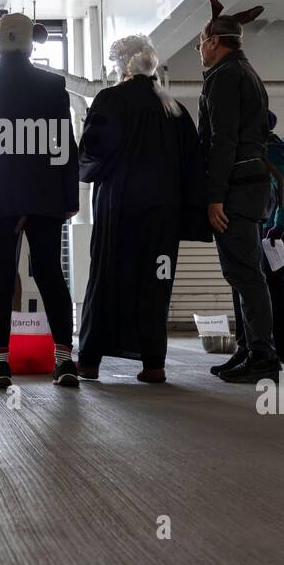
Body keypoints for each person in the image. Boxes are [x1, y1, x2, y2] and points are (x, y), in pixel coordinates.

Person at [0, 13, 80, 389]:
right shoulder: (52, 84)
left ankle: (1, 364)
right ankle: (65, 361)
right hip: (44, 196)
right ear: (30, 43)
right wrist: (68, 196)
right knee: (50, 274)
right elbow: (63, 145)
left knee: (0, 279)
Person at [77, 34, 207, 383]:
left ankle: (89, 360)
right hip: (163, 213)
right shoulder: (174, 109)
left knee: (107, 277)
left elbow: (92, 150)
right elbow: (193, 165)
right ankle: (153, 363)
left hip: (118, 207)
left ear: (121, 65)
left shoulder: (110, 100)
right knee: (155, 282)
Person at [195, 0, 281, 383]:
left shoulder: (225, 76)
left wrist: (214, 197)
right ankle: (249, 351)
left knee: (246, 275)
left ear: (214, 42)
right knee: (242, 274)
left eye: (201, 42)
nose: (199, 49)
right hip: (251, 185)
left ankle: (263, 358)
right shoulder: (245, 72)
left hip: (237, 190)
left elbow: (222, 140)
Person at [232, 110, 284, 362]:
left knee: (273, 285)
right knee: (274, 285)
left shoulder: (270, 148)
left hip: (275, 227)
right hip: (278, 225)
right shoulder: (277, 146)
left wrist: (281, 225)